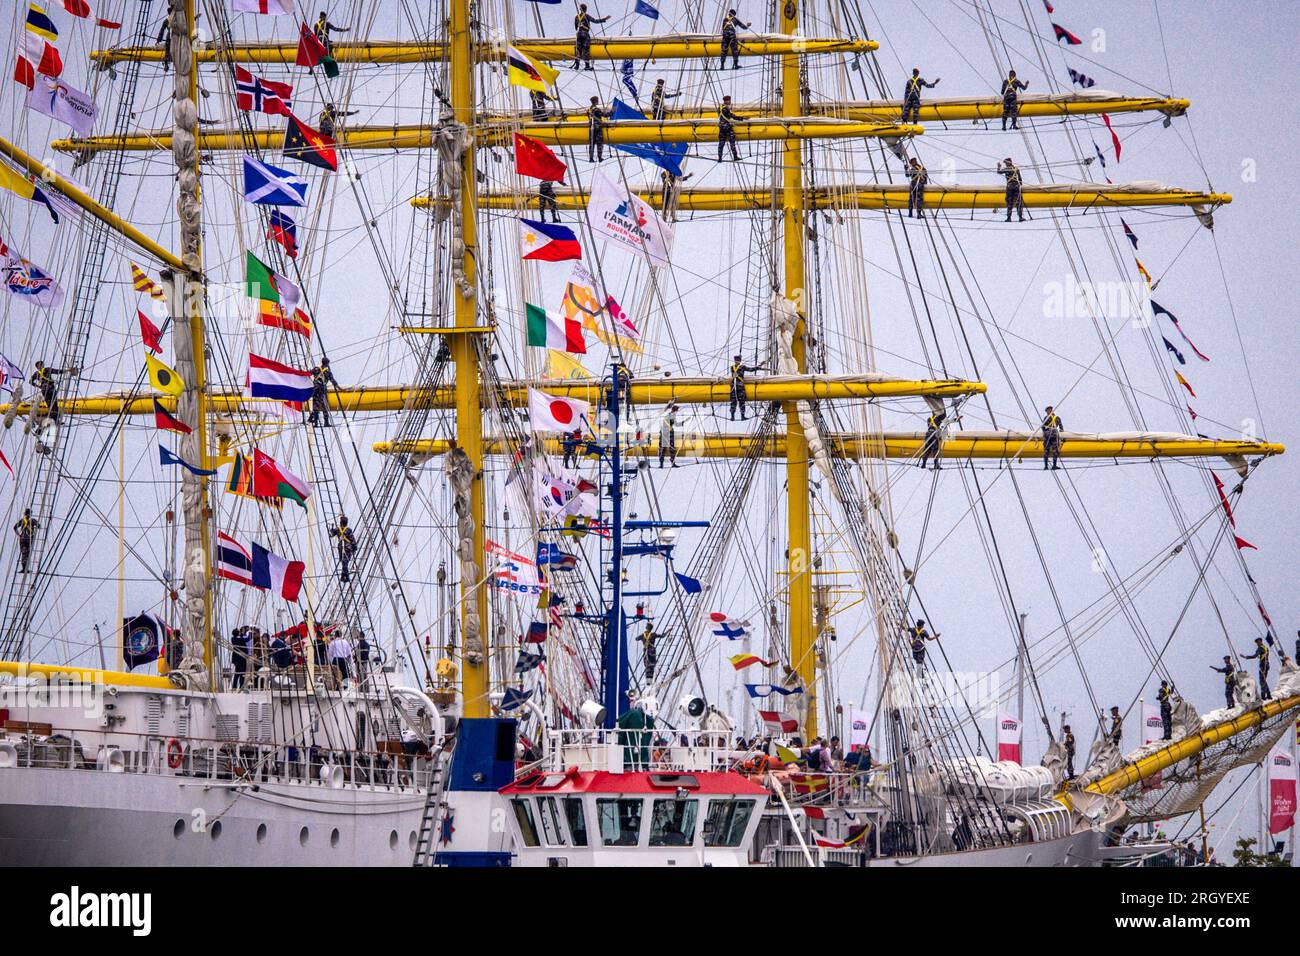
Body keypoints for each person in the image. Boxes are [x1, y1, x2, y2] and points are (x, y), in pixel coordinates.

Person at [573, 4, 610, 71]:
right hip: (585, 34)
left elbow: (576, 27)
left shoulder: (576, 17)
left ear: (580, 9)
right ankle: (587, 66)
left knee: (578, 49)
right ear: (585, 9)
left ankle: (577, 65)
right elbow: (595, 21)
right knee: (586, 50)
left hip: (579, 34)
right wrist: (604, 19)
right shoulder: (587, 16)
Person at [729, 354, 762, 420]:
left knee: (733, 401)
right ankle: (742, 416)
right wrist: (758, 367)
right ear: (740, 361)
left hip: (733, 387)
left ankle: (732, 416)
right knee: (742, 401)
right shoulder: (742, 367)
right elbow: (750, 369)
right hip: (740, 387)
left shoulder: (732, 367)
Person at [308, 357, 336, 426]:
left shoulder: (316, 369)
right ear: (327, 363)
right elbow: (333, 381)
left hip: (315, 390)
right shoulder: (328, 372)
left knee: (315, 406)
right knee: (324, 405)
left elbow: (308, 373)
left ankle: (315, 423)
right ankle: (326, 422)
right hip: (322, 390)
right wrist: (337, 386)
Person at [329, 514, 358, 582]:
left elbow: (331, 534)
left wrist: (331, 529)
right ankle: (345, 576)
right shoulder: (348, 530)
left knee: (344, 562)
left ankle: (344, 576)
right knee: (346, 562)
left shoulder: (337, 529)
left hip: (340, 548)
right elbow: (352, 539)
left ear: (340, 523)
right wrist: (355, 547)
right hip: (347, 548)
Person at [997, 157, 1026, 223]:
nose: (1006, 164)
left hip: (1010, 187)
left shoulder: (1006, 169)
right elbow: (1020, 180)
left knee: (1009, 202)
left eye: (1006, 163)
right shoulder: (1016, 169)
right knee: (1018, 202)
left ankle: (1009, 217)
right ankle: (1020, 217)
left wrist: (998, 166)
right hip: (1016, 186)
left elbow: (999, 172)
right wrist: (1020, 186)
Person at [13, 508, 38, 573]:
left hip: (23, 539)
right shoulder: (33, 520)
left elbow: (15, 527)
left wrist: (19, 535)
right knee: (27, 554)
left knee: (24, 554)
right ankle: (25, 568)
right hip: (29, 539)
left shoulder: (22, 521)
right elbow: (39, 526)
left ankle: (24, 568)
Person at [717, 95, 741, 162]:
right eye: (729, 100)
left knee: (721, 143)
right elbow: (731, 116)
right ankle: (735, 156)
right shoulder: (725, 108)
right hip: (727, 127)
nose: (730, 102)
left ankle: (719, 158)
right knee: (732, 142)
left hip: (721, 127)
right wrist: (741, 118)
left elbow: (720, 116)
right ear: (726, 101)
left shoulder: (720, 108)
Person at [1041, 405, 1063, 470]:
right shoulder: (1057, 418)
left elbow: (1042, 427)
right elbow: (1061, 428)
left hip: (1047, 435)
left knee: (1046, 450)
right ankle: (1054, 465)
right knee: (1055, 450)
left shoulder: (1046, 418)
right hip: (1054, 434)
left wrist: (1045, 432)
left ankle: (1046, 466)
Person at [658, 403, 679, 468]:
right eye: (677, 410)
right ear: (675, 410)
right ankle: (664, 463)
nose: (677, 412)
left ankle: (663, 463)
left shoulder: (670, 415)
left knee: (665, 448)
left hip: (665, 432)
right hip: (667, 432)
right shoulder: (671, 415)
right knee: (666, 448)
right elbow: (675, 424)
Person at [586, 96, 607, 163]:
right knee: (599, 143)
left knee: (592, 143)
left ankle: (591, 158)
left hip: (591, 128)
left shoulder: (590, 109)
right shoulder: (597, 110)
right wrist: (612, 111)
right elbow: (605, 115)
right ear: (596, 101)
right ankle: (599, 157)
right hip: (597, 128)